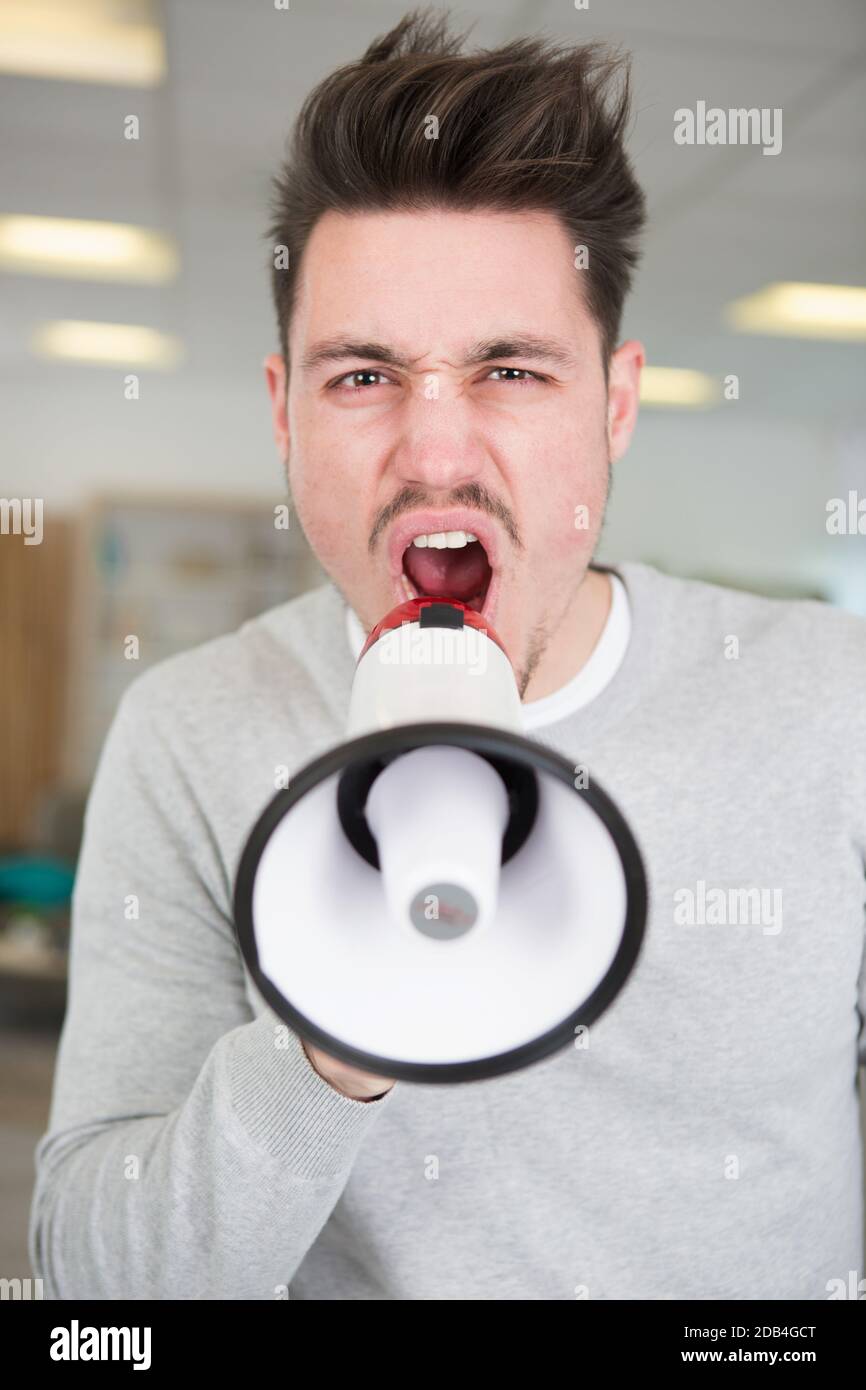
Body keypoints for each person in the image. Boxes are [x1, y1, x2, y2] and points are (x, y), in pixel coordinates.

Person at [31, 9, 866, 1300]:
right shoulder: (189, 733)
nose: (432, 453)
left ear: (615, 402)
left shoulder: (831, 700)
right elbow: (95, 1292)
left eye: (510, 371)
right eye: (362, 375)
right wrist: (328, 1039)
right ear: (283, 413)